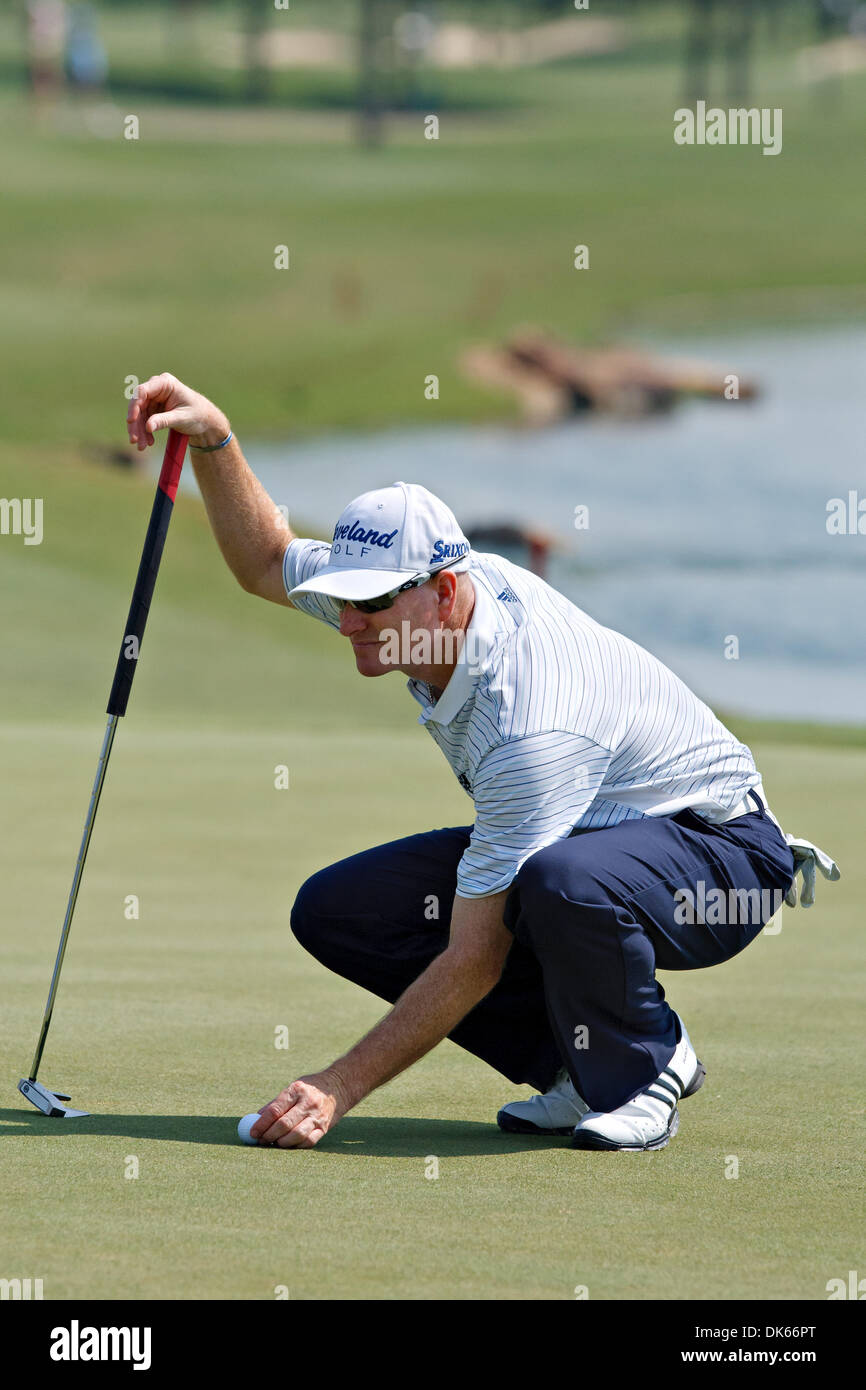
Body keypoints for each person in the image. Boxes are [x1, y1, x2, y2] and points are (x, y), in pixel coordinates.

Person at [127, 373, 840, 1153]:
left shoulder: (529, 720)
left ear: (442, 591)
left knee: (559, 883)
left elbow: (474, 957)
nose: (350, 624)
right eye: (346, 601)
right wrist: (215, 439)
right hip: (602, 842)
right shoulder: (409, 606)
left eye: (372, 605)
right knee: (339, 910)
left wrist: (337, 1087)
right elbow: (264, 560)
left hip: (721, 857)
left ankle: (646, 1067)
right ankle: (579, 1069)